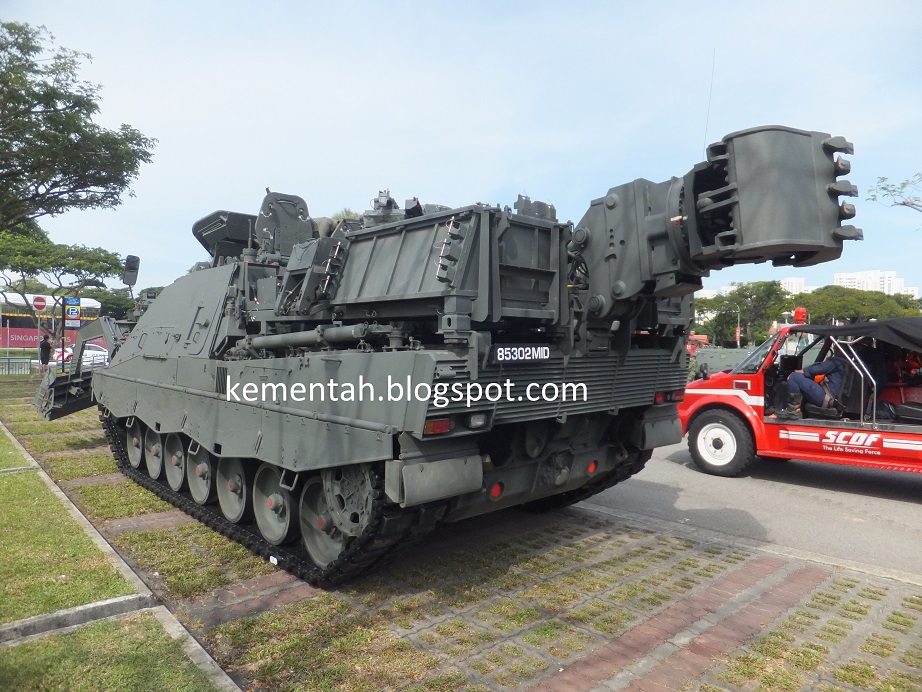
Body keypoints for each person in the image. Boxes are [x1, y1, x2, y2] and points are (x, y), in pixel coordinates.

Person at [776, 355, 848, 419]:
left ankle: (793, 410)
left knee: (794, 377)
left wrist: (801, 371)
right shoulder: (849, 362)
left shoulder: (837, 361)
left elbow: (817, 369)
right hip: (835, 400)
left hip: (827, 399)